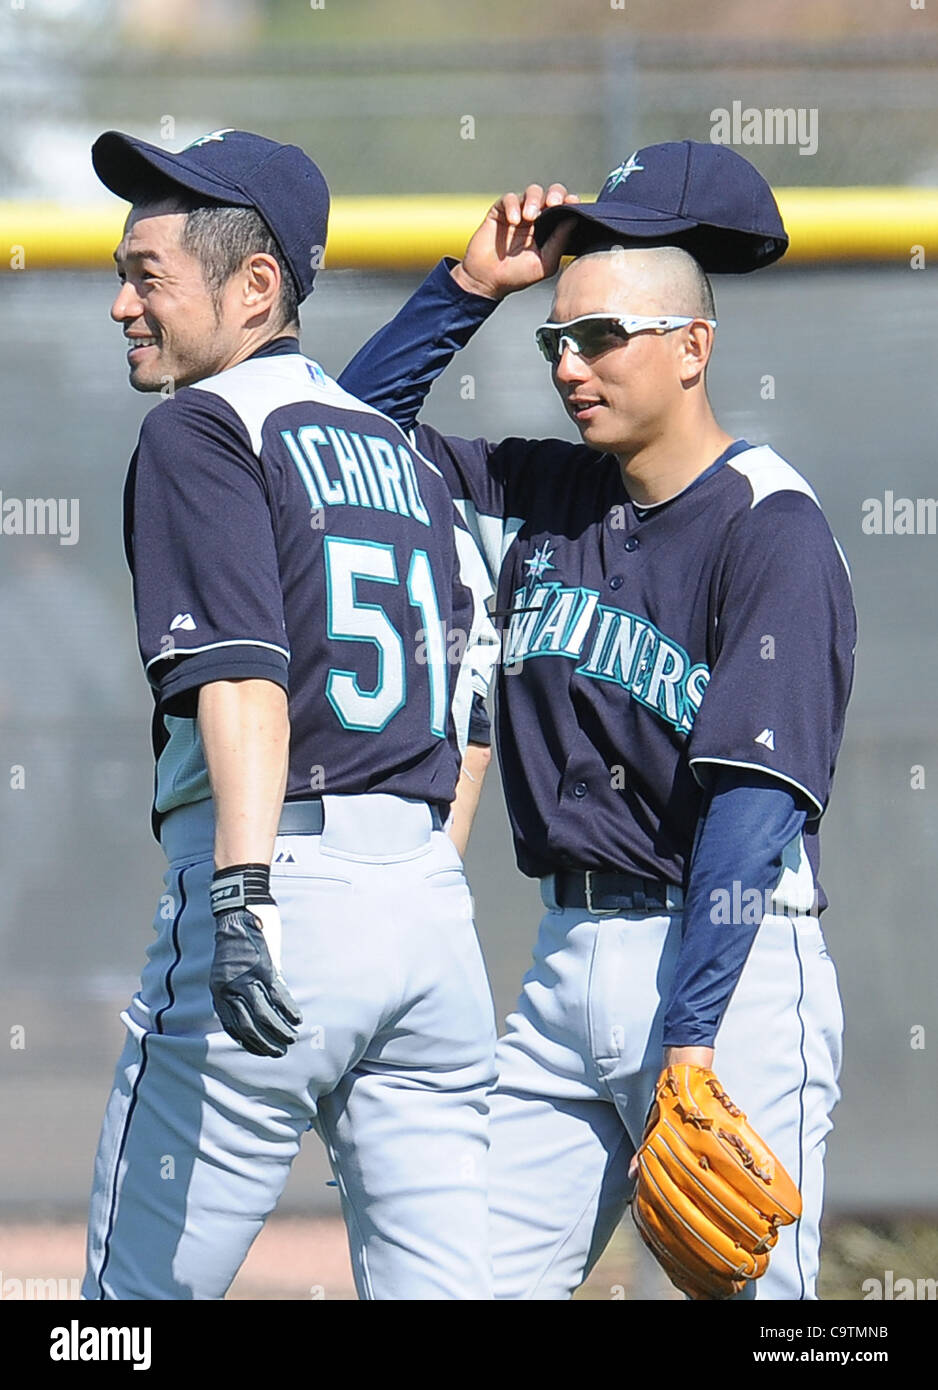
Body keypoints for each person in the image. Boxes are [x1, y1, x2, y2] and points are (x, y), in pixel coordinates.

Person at [339, 141, 856, 1300]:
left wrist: (689, 1035)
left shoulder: (770, 524)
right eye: (555, 341)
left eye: (600, 337)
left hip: (726, 964)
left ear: (690, 348)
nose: (570, 366)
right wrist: (466, 291)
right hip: (562, 962)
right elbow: (345, 449)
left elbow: (752, 802)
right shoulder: (539, 488)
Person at [82, 127, 499, 1301]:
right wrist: (418, 888)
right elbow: (470, 726)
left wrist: (245, 890)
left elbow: (242, 677)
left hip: (278, 892)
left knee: (125, 1319)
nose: (121, 301)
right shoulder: (408, 458)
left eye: (146, 274)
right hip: (429, 925)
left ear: (254, 286)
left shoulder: (198, 429)